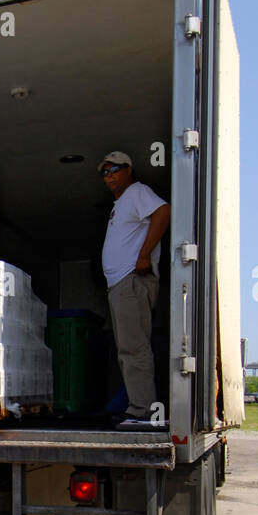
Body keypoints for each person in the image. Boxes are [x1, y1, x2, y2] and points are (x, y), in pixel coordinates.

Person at [98, 151, 171, 430]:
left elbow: (163, 212)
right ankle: (138, 408)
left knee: (134, 348)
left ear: (129, 169)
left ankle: (144, 413)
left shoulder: (137, 192)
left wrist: (144, 255)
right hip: (120, 284)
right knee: (127, 349)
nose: (109, 176)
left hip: (131, 280)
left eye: (114, 169)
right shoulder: (121, 204)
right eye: (104, 172)